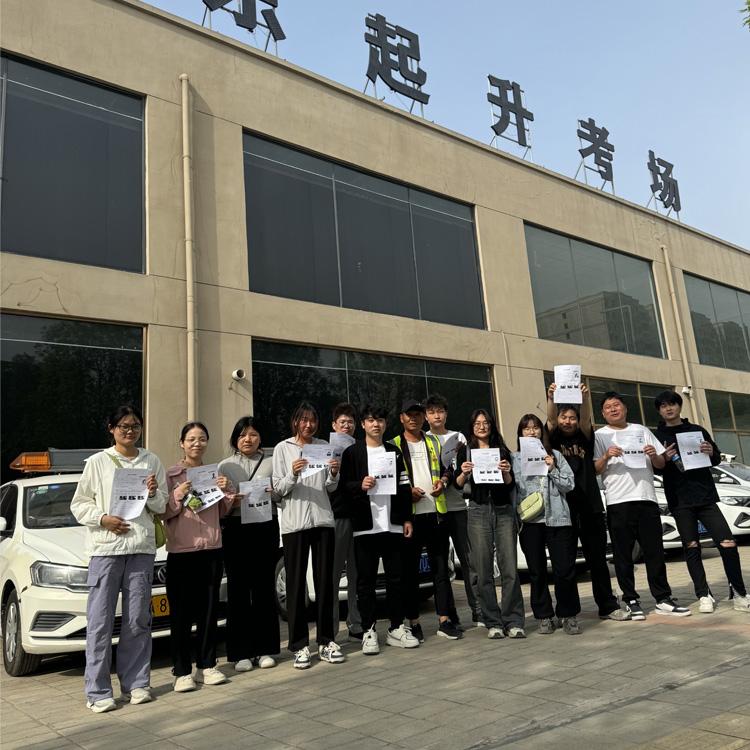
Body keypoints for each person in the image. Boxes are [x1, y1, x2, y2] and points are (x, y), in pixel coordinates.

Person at [70, 404, 167, 713]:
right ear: (111, 429)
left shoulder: (151, 460)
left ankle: (137, 683)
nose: (130, 430)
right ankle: (98, 691)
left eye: (135, 425)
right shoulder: (97, 462)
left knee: (138, 619)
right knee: (100, 622)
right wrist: (103, 519)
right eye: (123, 426)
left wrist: (154, 493)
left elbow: (162, 506)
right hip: (106, 550)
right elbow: (79, 504)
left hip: (140, 548)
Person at [594, 391, 690, 619]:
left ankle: (662, 598)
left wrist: (654, 454)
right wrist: (606, 456)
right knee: (623, 555)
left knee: (654, 551)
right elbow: (595, 469)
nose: (613, 409)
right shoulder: (600, 435)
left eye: (617, 405)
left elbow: (660, 463)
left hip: (646, 498)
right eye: (608, 407)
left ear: (625, 408)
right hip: (618, 501)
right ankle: (630, 599)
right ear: (603, 413)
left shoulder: (642, 430)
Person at [652, 390, 750, 614]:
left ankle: (739, 592)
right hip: (679, 499)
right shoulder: (657, 436)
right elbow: (656, 468)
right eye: (663, 406)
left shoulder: (696, 430)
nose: (669, 408)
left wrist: (710, 451)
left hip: (705, 496)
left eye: (672, 404)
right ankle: (704, 594)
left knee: (728, 542)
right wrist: (663, 458)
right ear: (659, 410)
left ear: (679, 406)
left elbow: (715, 458)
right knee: (692, 547)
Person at [339, 404, 420, 654]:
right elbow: (343, 487)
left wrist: (407, 518)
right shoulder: (352, 453)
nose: (376, 424)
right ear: (363, 424)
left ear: (385, 424)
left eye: (381, 420)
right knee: (366, 582)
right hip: (365, 527)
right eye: (371, 420)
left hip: (392, 525)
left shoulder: (393, 451)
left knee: (396, 579)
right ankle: (369, 630)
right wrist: (359, 485)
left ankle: (396, 627)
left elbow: (404, 486)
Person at [546, 382, 630, 621]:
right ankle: (567, 612)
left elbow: (585, 420)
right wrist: (551, 397)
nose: (568, 421)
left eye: (572, 417)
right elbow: (549, 420)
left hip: (590, 506)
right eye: (564, 417)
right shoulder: (553, 439)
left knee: (598, 561)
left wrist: (584, 398)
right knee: (565, 564)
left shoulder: (584, 437)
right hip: (564, 509)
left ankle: (608, 606)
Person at [272, 402, 345, 668]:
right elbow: (277, 490)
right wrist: (293, 473)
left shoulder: (323, 446)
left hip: (323, 520)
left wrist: (334, 472)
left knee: (325, 582)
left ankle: (326, 641)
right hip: (295, 524)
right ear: (295, 422)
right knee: (295, 585)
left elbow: (330, 487)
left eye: (312, 420)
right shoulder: (282, 448)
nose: (308, 424)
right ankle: (299, 645)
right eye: (303, 420)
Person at [162, 422, 234, 692]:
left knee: (209, 610)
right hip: (182, 551)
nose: (197, 443)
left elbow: (223, 511)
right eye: (191, 439)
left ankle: (207, 665)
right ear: (181, 443)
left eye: (202, 438)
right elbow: (162, 512)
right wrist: (177, 495)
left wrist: (226, 491)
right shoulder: (171, 475)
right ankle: (181, 671)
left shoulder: (214, 473)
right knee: (181, 614)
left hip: (212, 549)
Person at [389, 399, 460, 642]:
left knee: (440, 569)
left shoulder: (433, 442)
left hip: (436, 513)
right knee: (409, 573)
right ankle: (414, 623)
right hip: (410, 518)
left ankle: (444, 620)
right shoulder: (393, 446)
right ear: (401, 418)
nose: (414, 418)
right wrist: (406, 492)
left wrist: (444, 482)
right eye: (409, 415)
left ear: (423, 418)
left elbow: (448, 469)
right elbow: (389, 481)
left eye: (418, 414)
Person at [454, 409, 525, 639]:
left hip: (503, 511)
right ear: (472, 427)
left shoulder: (502, 450)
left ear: (492, 425)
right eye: (477, 423)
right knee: (483, 569)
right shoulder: (465, 451)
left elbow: (510, 484)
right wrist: (463, 472)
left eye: (485, 422)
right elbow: (457, 484)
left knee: (509, 568)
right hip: (478, 511)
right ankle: (492, 621)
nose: (482, 426)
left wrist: (506, 473)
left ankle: (513, 620)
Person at [217, 416, 281, 673]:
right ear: (235, 439)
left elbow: (282, 494)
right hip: (236, 529)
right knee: (238, 590)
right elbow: (219, 506)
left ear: (260, 438)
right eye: (242, 435)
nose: (248, 439)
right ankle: (240, 652)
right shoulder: (224, 466)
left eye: (253, 434)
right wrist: (230, 499)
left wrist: (274, 492)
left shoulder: (272, 462)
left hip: (265, 526)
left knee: (264, 587)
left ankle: (265, 649)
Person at [512, 414, 580, 635]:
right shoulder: (514, 459)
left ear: (542, 432)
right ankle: (544, 616)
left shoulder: (556, 455)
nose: (531, 432)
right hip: (530, 521)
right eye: (526, 429)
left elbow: (569, 485)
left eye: (535, 428)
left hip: (557, 518)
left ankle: (568, 615)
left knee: (564, 570)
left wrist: (552, 468)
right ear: (520, 434)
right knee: (536, 571)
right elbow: (512, 490)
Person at [425, 394, 481, 627]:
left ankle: (478, 609)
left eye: (440, 411)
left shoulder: (458, 438)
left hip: (458, 506)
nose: (436, 415)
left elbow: (464, 470)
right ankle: (449, 613)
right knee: (441, 564)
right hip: (434, 509)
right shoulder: (423, 440)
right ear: (426, 416)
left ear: (446, 414)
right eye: (432, 412)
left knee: (469, 560)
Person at [329, 403, 363, 641]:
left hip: (359, 518)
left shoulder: (360, 449)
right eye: (342, 422)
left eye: (350, 422)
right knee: (333, 574)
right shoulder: (325, 450)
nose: (346, 425)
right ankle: (330, 628)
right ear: (334, 425)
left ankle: (356, 623)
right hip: (337, 516)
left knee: (356, 574)